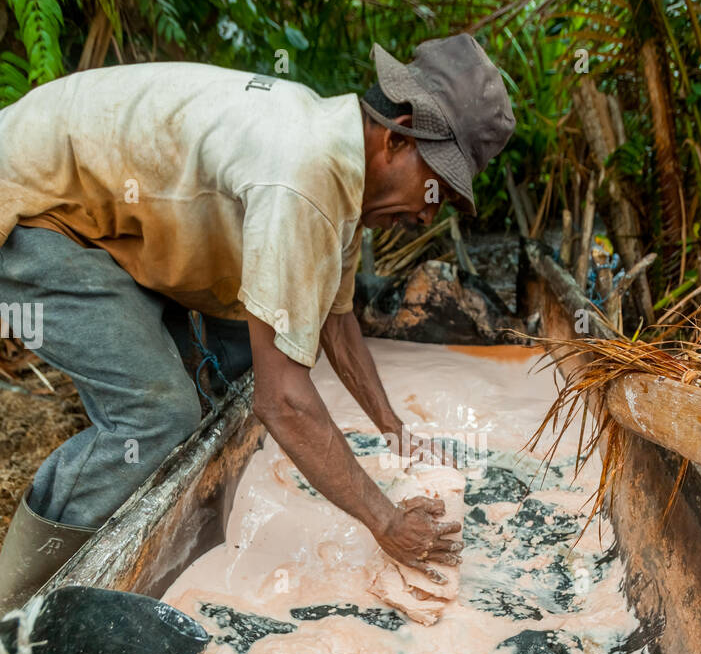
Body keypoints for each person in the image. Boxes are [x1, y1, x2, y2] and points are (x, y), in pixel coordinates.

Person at [0, 34, 515, 612]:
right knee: (156, 414)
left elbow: (334, 321)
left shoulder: (341, 172)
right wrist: (385, 520)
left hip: (101, 217)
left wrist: (395, 431)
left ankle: (137, 527)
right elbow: (283, 401)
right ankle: (17, 609)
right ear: (396, 137)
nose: (425, 212)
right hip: (30, 205)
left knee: (229, 363)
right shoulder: (304, 175)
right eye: (434, 188)